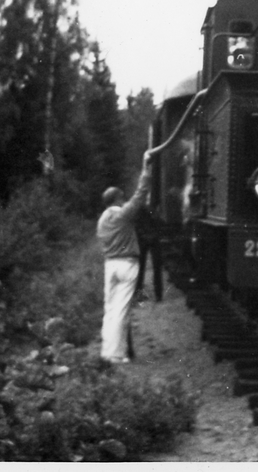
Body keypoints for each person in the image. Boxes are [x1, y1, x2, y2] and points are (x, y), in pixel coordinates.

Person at [97, 150, 154, 365]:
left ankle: (107, 351)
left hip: (109, 265)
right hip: (127, 265)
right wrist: (146, 168)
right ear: (117, 199)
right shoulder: (122, 215)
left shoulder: (102, 221)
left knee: (110, 309)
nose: (124, 199)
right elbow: (140, 194)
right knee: (121, 310)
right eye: (122, 196)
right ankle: (115, 355)